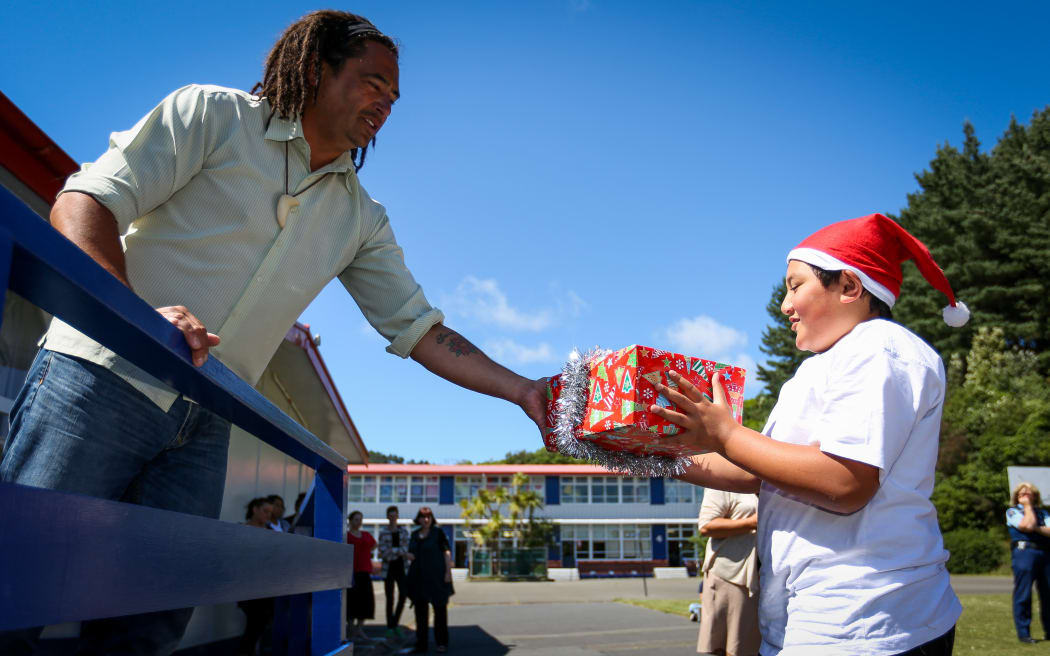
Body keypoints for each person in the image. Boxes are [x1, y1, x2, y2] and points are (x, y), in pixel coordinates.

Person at [0, 10, 545, 654]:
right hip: (98, 375)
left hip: (203, 418)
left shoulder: (359, 217)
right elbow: (83, 202)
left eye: (394, 97)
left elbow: (420, 329)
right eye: (373, 82)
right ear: (318, 70)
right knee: (19, 583)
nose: (386, 103)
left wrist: (523, 390)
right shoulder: (212, 115)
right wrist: (138, 318)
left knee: (151, 617)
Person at [651, 213, 966, 655]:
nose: (785, 305)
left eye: (795, 286)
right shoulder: (820, 367)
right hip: (817, 613)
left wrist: (725, 435)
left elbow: (844, 482)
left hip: (867, 618)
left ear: (850, 287)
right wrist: (653, 453)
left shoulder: (879, 349)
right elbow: (758, 471)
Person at [696, 489, 760, 656]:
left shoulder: (770, 483)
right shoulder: (723, 484)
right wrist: (753, 522)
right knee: (734, 648)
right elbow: (706, 525)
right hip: (732, 576)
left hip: (768, 577)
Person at [403, 507, 453, 654]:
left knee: (440, 611)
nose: (426, 520)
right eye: (423, 517)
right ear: (418, 519)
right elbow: (411, 552)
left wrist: (448, 573)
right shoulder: (414, 535)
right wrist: (408, 555)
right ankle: (421, 643)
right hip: (418, 578)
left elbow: (446, 552)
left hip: (437, 577)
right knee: (420, 613)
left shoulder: (438, 533)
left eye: (429, 517)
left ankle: (442, 642)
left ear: (432, 519)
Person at [1005, 482, 1050, 643]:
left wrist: (1035, 527)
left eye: (1029, 493)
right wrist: (1027, 507)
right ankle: (1024, 633)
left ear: (1035, 496)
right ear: (1016, 497)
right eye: (1022, 494)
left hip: (1044, 553)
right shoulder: (1012, 511)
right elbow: (1025, 525)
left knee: (1048, 593)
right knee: (1023, 593)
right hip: (1024, 553)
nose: (1025, 496)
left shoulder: (1043, 513)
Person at [238, 498, 275, 656]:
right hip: (248, 585)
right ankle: (246, 652)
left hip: (267, 585)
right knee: (255, 622)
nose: (268, 515)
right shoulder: (242, 529)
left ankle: (251, 651)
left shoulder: (271, 531)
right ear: (255, 509)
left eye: (270, 513)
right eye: (265, 511)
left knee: (261, 622)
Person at [378, 505, 412, 639]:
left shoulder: (404, 531)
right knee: (389, 598)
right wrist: (400, 552)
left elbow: (406, 548)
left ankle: (395, 623)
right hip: (388, 569)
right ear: (387, 517)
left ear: (397, 516)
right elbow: (383, 553)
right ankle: (389, 627)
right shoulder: (383, 532)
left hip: (402, 568)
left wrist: (394, 551)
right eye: (390, 515)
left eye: (395, 515)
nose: (393, 518)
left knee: (403, 595)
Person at [346, 510, 377, 643]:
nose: (359, 522)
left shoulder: (366, 535)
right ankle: (352, 629)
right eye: (356, 519)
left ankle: (359, 629)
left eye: (360, 519)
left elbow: (374, 545)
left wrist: (366, 554)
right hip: (351, 573)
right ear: (350, 521)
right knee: (352, 603)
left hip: (365, 572)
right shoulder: (346, 536)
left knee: (366, 603)